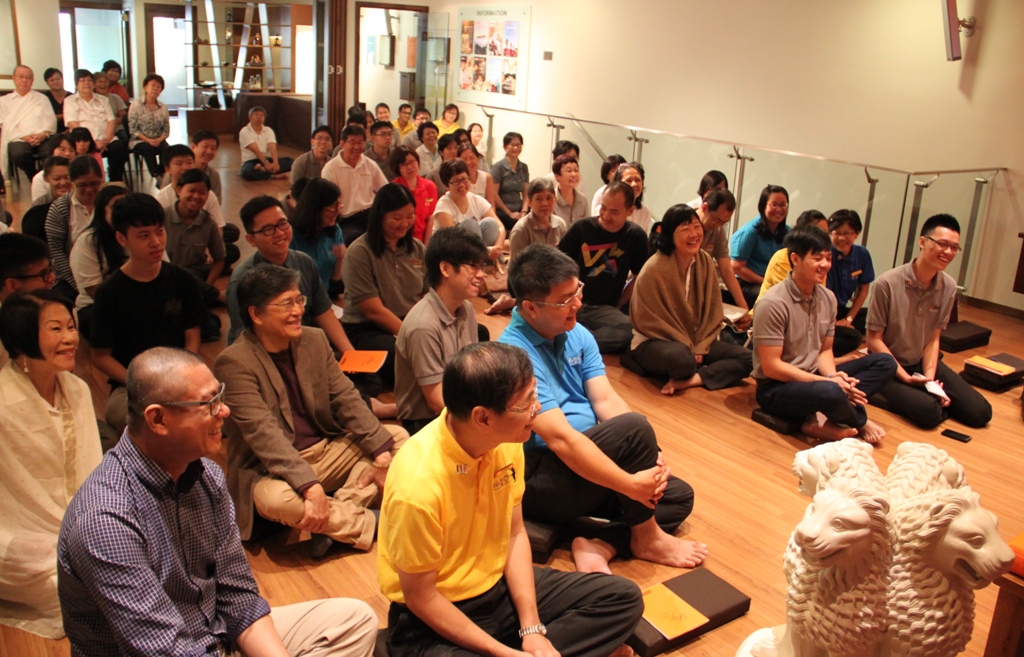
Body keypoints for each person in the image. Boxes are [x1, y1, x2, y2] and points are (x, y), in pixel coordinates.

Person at [57, 346, 379, 657]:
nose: (224, 410)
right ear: (158, 420)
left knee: (354, 621)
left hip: (215, 634)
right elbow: (162, 648)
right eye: (208, 403)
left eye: (219, 395)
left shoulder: (207, 475)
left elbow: (238, 596)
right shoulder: (106, 520)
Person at [380, 341, 643, 657]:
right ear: (483, 418)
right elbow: (421, 598)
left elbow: (514, 533)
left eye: (534, 394)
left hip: (497, 587)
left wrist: (531, 629)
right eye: (528, 402)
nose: (538, 408)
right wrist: (504, 654)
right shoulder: (417, 486)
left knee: (624, 598)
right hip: (432, 615)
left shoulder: (505, 440)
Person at [498, 244, 706, 573]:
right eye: (565, 300)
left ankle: (602, 543)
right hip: (540, 478)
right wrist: (629, 483)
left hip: (585, 460)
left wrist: (650, 454)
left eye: (576, 290)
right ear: (530, 308)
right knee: (636, 436)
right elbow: (560, 440)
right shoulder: (513, 354)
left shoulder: (576, 333)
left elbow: (606, 401)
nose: (577, 303)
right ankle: (646, 538)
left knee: (677, 495)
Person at [216, 264, 406, 556]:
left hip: (328, 448)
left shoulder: (314, 340)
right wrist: (309, 485)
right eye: (286, 303)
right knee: (275, 501)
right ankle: (371, 522)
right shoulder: (234, 362)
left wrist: (379, 448)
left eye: (298, 300)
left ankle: (333, 521)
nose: (297, 311)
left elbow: (346, 397)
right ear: (256, 314)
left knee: (397, 439)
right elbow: (264, 435)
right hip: (274, 470)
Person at [0, 289, 101, 639]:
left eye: (70, 327)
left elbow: (92, 470)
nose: (71, 337)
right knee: (68, 580)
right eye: (55, 329)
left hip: (80, 521)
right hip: (19, 534)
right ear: (24, 335)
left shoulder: (76, 388)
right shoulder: (3, 402)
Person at [752, 225, 896, 444]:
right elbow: (772, 367)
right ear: (796, 259)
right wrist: (826, 382)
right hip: (776, 387)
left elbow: (825, 349)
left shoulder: (827, 298)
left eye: (828, 258)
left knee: (885, 363)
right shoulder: (773, 303)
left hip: (815, 375)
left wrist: (832, 376)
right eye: (817, 258)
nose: (825, 265)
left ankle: (824, 415)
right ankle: (858, 420)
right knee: (830, 391)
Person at [90, 193, 205, 437]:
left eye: (159, 231)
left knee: (219, 413)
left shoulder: (182, 280)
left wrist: (184, 375)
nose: (155, 241)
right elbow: (100, 356)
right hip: (130, 387)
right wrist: (139, 383)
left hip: (180, 379)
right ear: (122, 238)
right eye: (143, 235)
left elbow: (192, 336)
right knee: (128, 418)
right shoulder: (110, 291)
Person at [866, 214, 992, 429]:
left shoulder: (949, 286)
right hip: (886, 364)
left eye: (954, 248)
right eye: (942, 244)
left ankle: (920, 394)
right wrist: (906, 378)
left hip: (920, 362)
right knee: (930, 414)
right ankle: (879, 388)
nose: (948, 252)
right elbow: (874, 341)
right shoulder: (886, 283)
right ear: (923, 242)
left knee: (981, 413)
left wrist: (930, 380)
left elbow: (933, 339)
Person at [625, 205, 753, 395]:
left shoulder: (705, 262)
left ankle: (691, 380)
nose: (694, 234)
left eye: (696, 226)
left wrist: (700, 347)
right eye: (685, 229)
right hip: (655, 341)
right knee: (682, 359)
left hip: (696, 341)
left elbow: (713, 310)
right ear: (670, 235)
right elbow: (647, 320)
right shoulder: (654, 269)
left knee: (748, 358)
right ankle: (689, 368)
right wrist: (689, 348)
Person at [395, 228, 486, 434]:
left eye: (482, 267)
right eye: (473, 266)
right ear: (445, 268)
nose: (481, 275)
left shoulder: (466, 308)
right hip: (426, 423)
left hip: (460, 406)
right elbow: (437, 401)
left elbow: (472, 369)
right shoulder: (423, 325)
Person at [341, 183, 428, 391]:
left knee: (476, 333)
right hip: (368, 329)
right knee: (402, 355)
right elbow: (373, 311)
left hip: (410, 322)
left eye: (410, 216)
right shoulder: (360, 252)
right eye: (397, 218)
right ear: (380, 216)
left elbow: (428, 295)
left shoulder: (417, 248)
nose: (405, 223)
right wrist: (411, 335)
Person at [754, 211, 863, 358]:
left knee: (876, 357)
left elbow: (820, 298)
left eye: (826, 232)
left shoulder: (826, 292)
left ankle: (815, 363)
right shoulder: (784, 260)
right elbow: (792, 303)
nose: (825, 264)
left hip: (810, 318)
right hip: (786, 321)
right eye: (819, 232)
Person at [558, 181, 650, 354]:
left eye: (614, 212)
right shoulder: (581, 228)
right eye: (603, 208)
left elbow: (640, 277)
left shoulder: (635, 236)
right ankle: (576, 336)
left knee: (629, 329)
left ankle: (573, 340)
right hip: (570, 302)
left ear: (630, 211)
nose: (606, 215)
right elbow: (556, 267)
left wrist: (620, 302)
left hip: (602, 309)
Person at [485, 178, 569, 316]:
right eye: (538, 199)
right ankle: (513, 301)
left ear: (555, 199)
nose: (544, 203)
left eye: (549, 198)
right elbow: (517, 268)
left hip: (551, 277)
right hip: (525, 279)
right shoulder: (521, 229)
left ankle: (513, 302)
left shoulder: (560, 225)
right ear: (529, 202)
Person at [164, 168, 228, 312]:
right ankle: (215, 297)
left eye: (202, 192)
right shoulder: (163, 216)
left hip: (196, 273)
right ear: (179, 190)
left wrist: (207, 286)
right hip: (165, 273)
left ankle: (201, 296)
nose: (196, 196)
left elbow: (219, 258)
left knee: (186, 278)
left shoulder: (208, 223)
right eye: (191, 191)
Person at [69, 184, 127, 337]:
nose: (122, 212)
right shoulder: (88, 241)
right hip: (96, 304)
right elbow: (94, 290)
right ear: (102, 211)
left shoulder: (138, 235)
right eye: (115, 207)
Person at [45, 154, 103, 299]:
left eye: (94, 183)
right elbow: (56, 252)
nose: (89, 190)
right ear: (72, 182)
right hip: (70, 279)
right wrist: (79, 284)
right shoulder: (60, 209)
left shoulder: (109, 204)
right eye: (82, 185)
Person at [321, 125, 389, 245]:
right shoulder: (331, 168)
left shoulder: (369, 164)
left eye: (360, 142)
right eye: (352, 142)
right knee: (355, 239)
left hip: (370, 214)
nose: (357, 147)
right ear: (342, 144)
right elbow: (328, 201)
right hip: (346, 218)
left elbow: (385, 190)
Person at [0, 233, 57, 368]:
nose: (52, 278)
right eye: (43, 274)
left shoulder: (58, 310)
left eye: (50, 270)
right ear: (12, 285)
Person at [429, 159, 505, 256]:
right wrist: (487, 251)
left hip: (477, 252)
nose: (461, 185)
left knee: (490, 223)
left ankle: (487, 264)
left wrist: (496, 249)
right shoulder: (443, 205)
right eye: (456, 181)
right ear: (446, 185)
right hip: (450, 254)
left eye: (464, 179)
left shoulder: (476, 200)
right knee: (470, 225)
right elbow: (453, 239)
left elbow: (500, 227)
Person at [730, 184, 790, 307]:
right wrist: (766, 282)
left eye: (783, 204)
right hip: (748, 284)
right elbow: (737, 267)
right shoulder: (749, 232)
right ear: (763, 206)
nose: (779, 209)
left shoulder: (788, 232)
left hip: (775, 282)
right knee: (775, 299)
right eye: (774, 204)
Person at [64, 68, 128, 182]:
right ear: (76, 85)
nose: (86, 83)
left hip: (105, 139)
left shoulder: (103, 100)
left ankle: (115, 182)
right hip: (83, 140)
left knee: (119, 148)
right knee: (81, 150)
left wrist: (106, 140)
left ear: (93, 84)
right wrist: (92, 142)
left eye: (89, 80)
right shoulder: (70, 101)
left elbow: (111, 121)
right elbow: (74, 125)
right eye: (82, 81)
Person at [696, 188, 749, 322]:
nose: (717, 225)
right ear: (704, 207)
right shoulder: (687, 226)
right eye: (716, 220)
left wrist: (744, 309)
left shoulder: (718, 232)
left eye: (723, 223)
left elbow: (726, 270)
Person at [289, 177, 346, 296]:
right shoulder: (291, 235)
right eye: (332, 207)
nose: (336, 211)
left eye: (338, 205)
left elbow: (335, 281)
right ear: (315, 207)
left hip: (324, 295)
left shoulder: (334, 231)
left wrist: (340, 258)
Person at [0, 65, 56, 185]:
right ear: (14, 78)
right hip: (18, 138)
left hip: (42, 137)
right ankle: (35, 178)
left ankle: (47, 178)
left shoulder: (41, 98)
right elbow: (6, 126)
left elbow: (51, 120)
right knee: (19, 155)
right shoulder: (4, 101)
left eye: (28, 77)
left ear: (32, 80)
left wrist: (42, 134)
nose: (24, 80)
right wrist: (25, 137)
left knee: (51, 151)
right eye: (20, 77)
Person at [152, 144, 228, 228]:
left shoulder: (208, 194)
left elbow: (218, 226)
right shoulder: (161, 198)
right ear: (168, 169)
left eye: (189, 162)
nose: (185, 167)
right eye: (179, 163)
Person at [827, 209, 874, 334]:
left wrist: (848, 318)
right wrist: (834, 321)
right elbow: (824, 295)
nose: (842, 238)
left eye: (847, 233)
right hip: (824, 311)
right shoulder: (825, 254)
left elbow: (864, 289)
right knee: (852, 336)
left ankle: (845, 330)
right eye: (837, 233)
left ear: (856, 234)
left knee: (876, 318)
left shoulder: (862, 254)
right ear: (830, 233)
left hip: (843, 309)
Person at [390, 146, 438, 242]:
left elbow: (431, 219)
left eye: (412, 161)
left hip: (425, 239)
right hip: (402, 240)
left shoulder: (430, 186)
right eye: (404, 164)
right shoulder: (394, 188)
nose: (410, 167)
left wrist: (426, 247)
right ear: (397, 168)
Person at [127, 73, 170, 179]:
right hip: (139, 140)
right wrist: (147, 140)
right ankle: (156, 176)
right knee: (147, 148)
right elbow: (132, 129)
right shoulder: (136, 104)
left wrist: (159, 140)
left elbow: (166, 129)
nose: (155, 89)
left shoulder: (163, 107)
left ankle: (163, 174)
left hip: (158, 139)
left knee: (167, 150)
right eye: (153, 85)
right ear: (145, 87)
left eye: (158, 87)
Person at [239, 105, 293, 180]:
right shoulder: (244, 131)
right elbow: (255, 150)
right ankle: (272, 175)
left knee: (290, 161)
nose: (259, 117)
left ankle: (263, 170)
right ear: (250, 117)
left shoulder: (268, 130)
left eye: (261, 115)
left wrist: (275, 163)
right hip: (251, 161)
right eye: (256, 115)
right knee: (247, 172)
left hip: (268, 159)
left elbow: (272, 147)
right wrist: (266, 163)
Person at [490, 131, 530, 232]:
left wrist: (524, 211)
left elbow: (526, 192)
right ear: (505, 147)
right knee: (522, 226)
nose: (515, 148)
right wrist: (509, 213)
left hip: (520, 210)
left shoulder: (524, 167)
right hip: (502, 211)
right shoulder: (497, 167)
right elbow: (493, 194)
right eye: (512, 145)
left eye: (518, 145)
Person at [29, 133, 76, 203]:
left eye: (71, 150)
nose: (67, 153)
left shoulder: (81, 174)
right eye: (62, 149)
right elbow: (39, 207)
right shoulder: (39, 178)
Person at [612, 162, 653, 233]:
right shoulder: (607, 209)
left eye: (637, 180)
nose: (634, 184)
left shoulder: (645, 212)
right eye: (628, 180)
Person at [552, 153, 589, 224]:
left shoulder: (583, 200)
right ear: (557, 176)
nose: (574, 174)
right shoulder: (551, 200)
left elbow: (587, 228)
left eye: (576, 170)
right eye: (569, 171)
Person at [42, 68, 70, 133]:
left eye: (58, 79)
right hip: (50, 132)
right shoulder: (44, 98)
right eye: (52, 80)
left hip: (70, 131)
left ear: (62, 79)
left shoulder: (71, 97)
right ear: (47, 83)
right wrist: (64, 115)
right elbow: (44, 118)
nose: (56, 82)